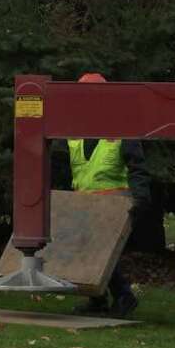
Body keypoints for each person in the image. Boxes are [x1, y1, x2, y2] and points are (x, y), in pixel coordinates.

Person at [58, 72, 149, 316]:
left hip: (113, 202)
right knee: (88, 251)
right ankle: (100, 300)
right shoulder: (73, 129)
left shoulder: (121, 128)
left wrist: (140, 197)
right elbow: (64, 165)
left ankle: (123, 296)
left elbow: (137, 166)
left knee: (102, 254)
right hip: (84, 200)